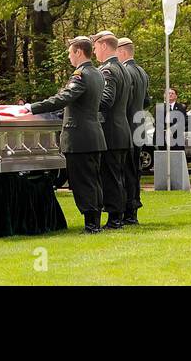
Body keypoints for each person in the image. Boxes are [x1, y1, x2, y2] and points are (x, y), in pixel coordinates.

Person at [18, 36, 105, 233]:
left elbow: (63, 98)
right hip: (93, 135)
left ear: (78, 52)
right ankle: (94, 221)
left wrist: (32, 107)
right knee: (93, 180)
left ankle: (91, 225)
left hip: (80, 137)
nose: (68, 57)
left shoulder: (81, 74)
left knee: (82, 182)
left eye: (69, 52)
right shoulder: (97, 73)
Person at [92, 30, 129, 230]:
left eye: (96, 47)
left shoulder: (107, 70)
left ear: (104, 46)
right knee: (118, 176)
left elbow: (106, 100)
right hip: (121, 129)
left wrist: (88, 104)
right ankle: (119, 216)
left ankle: (115, 219)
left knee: (110, 177)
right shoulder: (122, 68)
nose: (95, 51)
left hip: (111, 131)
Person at [116, 36, 148, 225]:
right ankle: (132, 211)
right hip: (139, 126)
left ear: (122, 51)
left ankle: (127, 211)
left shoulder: (125, 71)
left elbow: (124, 101)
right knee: (134, 171)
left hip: (127, 126)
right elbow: (146, 101)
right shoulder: (142, 72)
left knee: (125, 172)